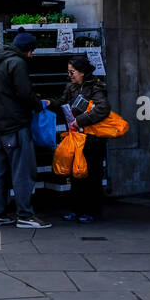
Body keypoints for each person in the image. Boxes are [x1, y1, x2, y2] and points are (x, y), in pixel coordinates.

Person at [0, 31, 51, 229]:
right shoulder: (18, 63)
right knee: (22, 171)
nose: (32, 55)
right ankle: (25, 215)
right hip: (15, 125)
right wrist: (40, 104)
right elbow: (24, 93)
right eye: (32, 51)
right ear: (27, 49)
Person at [51, 54, 111, 222]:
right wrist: (49, 103)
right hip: (77, 138)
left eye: (72, 72)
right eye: (69, 72)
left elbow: (103, 109)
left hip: (93, 139)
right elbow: (62, 102)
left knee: (92, 175)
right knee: (77, 175)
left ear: (83, 72)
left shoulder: (96, 88)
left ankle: (92, 212)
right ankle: (77, 210)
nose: (70, 76)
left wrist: (80, 120)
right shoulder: (71, 87)